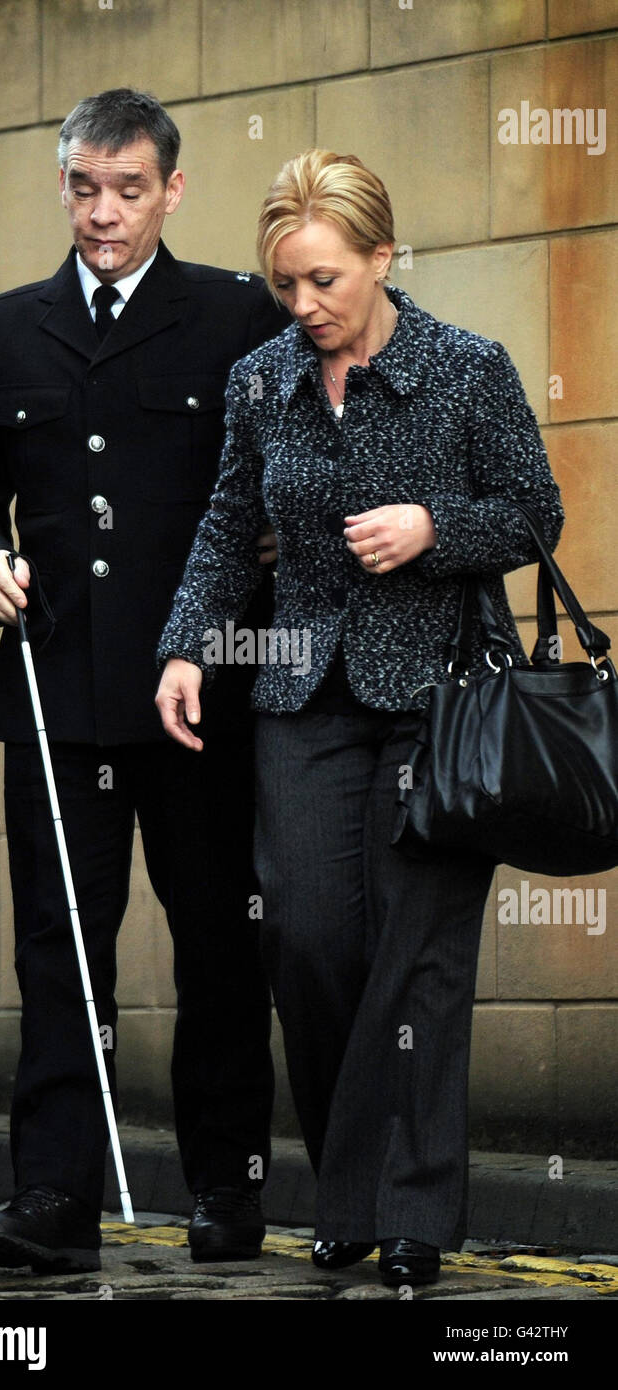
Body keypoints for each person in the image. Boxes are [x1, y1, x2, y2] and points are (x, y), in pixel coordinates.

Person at [156, 150, 564, 1287]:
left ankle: (407, 1212)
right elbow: (229, 526)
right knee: (307, 937)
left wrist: (435, 527)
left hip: (440, 702)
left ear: (384, 257)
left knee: (420, 960)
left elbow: (536, 514)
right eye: (288, 284)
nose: (306, 306)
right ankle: (353, 1176)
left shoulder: (466, 368)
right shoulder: (261, 379)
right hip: (299, 694)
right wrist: (187, 644)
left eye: (327, 281)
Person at [0, 88, 289, 1274]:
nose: (104, 211)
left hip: (198, 696)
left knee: (218, 944)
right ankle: (54, 1198)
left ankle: (228, 1188)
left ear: (172, 190)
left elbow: (271, 494)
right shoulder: (4, 328)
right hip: (58, 689)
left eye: (129, 188)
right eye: (85, 186)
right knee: (60, 947)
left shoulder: (235, 317)